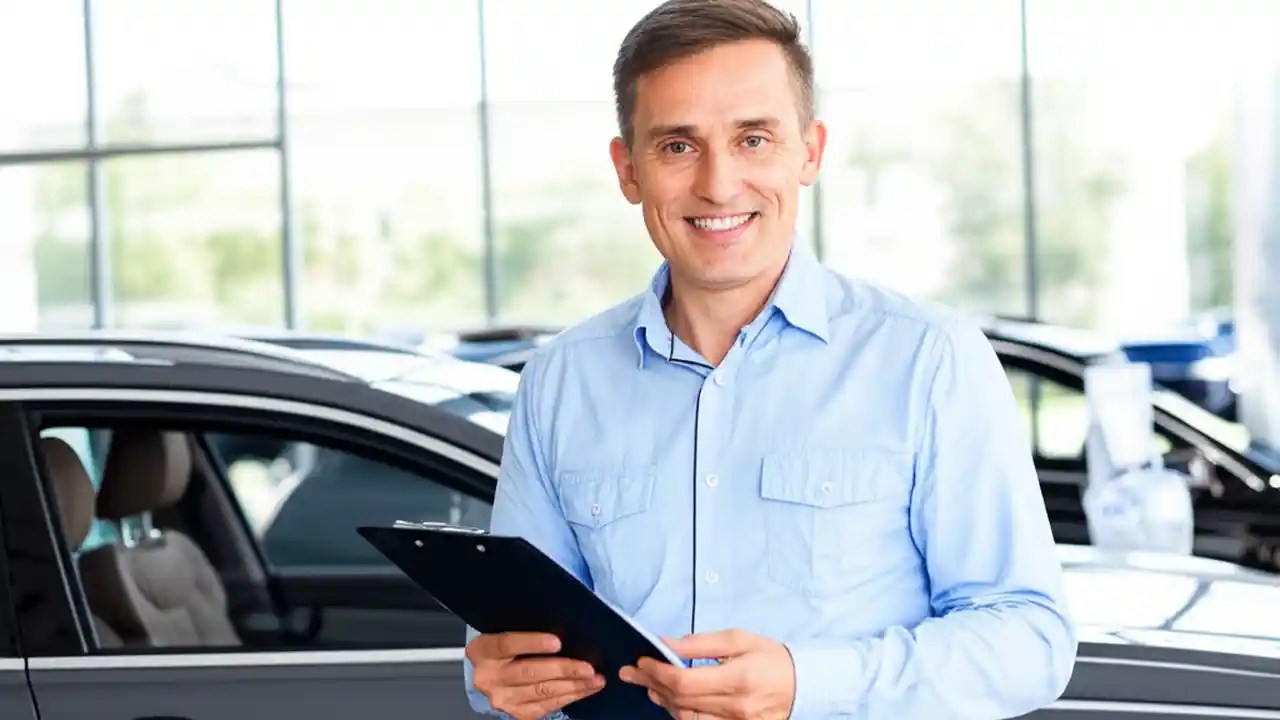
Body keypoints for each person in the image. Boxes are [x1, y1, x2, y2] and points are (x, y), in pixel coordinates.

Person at [463, 0, 1077, 717]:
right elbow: (505, 650)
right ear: (628, 169)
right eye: (677, 146)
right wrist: (499, 680)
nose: (719, 184)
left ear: (809, 151)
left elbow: (1029, 642)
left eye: (753, 139)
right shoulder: (561, 382)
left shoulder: (929, 360)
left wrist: (806, 682)